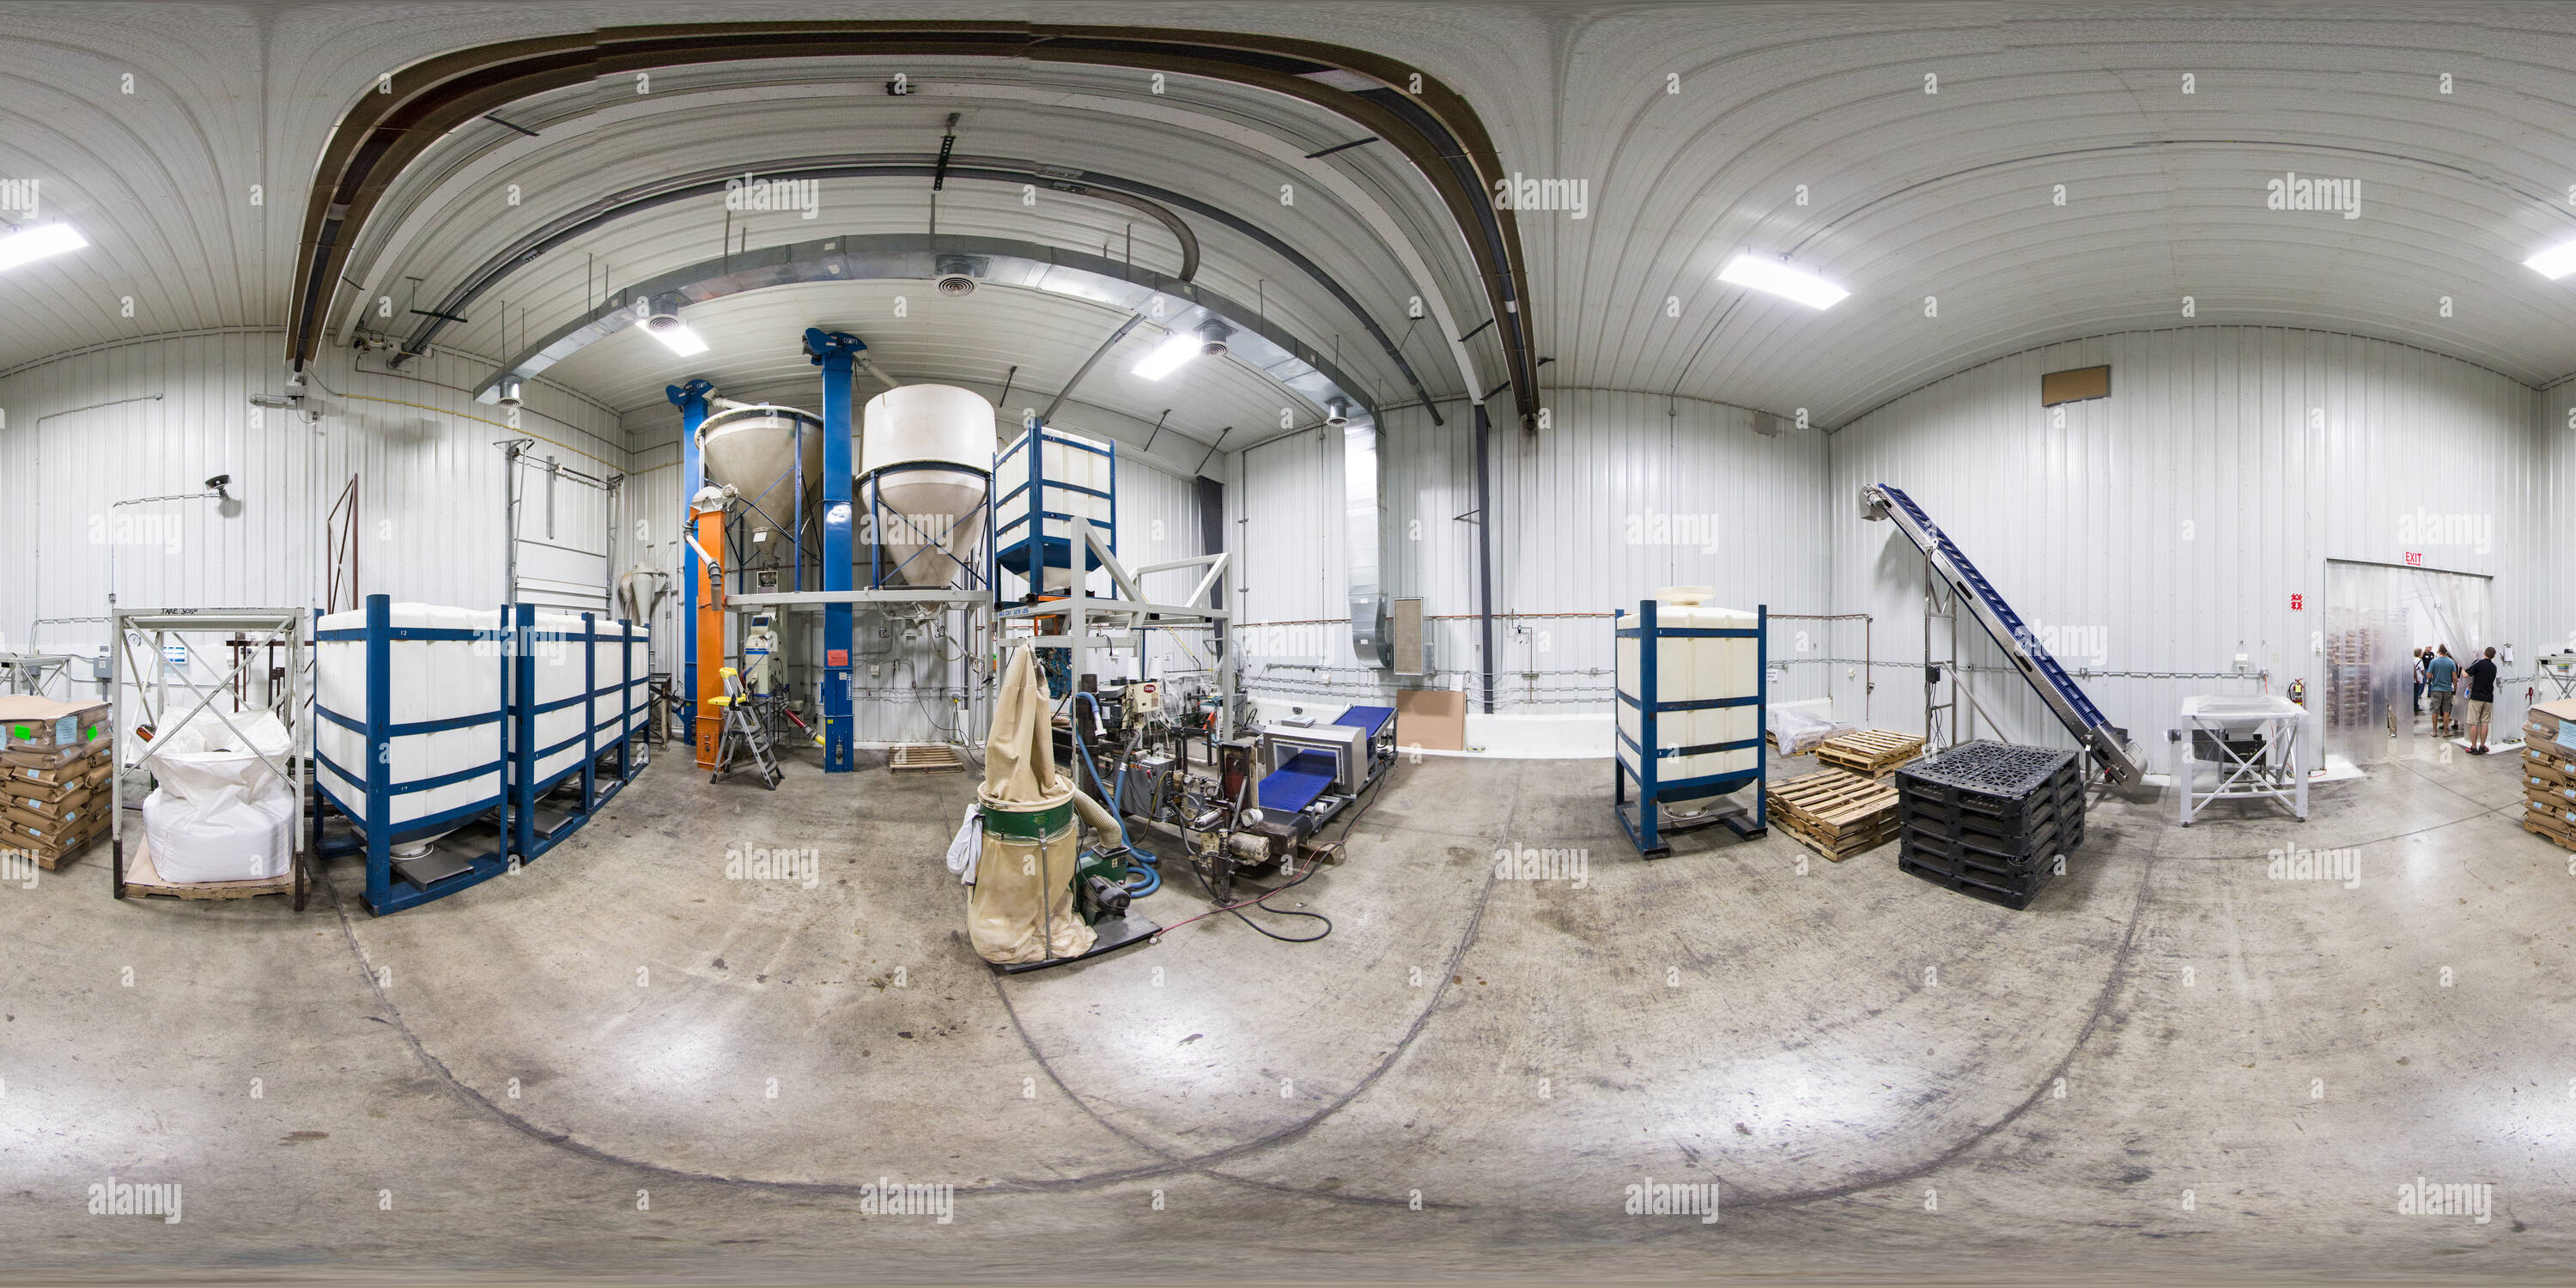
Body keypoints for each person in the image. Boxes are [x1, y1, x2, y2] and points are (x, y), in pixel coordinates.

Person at [2464, 646, 2500, 754]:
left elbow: (2465, 675)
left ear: (2484, 653)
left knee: (2473, 723)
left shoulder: (2478, 663)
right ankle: (2482, 746)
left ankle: (2473, 748)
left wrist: (2462, 667)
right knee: (2485, 723)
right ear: (2493, 656)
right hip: (2488, 698)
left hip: (2476, 698)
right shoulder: (2494, 667)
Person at [2425, 644, 2459, 739]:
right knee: (2446, 710)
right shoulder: (2451, 662)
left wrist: (2433, 676)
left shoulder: (2433, 661)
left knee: (2435, 710)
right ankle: (2445, 731)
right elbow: (2455, 678)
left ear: (2439, 650)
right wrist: (2456, 689)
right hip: (2447, 689)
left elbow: (2428, 676)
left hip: (2436, 689)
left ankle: (2434, 731)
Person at [2411, 647, 2427, 716]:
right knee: (2417, 693)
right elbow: (2422, 671)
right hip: (2417, 679)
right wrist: (2424, 675)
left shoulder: (2412, 659)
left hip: (2412, 679)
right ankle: (2416, 706)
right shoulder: (2420, 661)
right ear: (2420, 654)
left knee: (2413, 693)